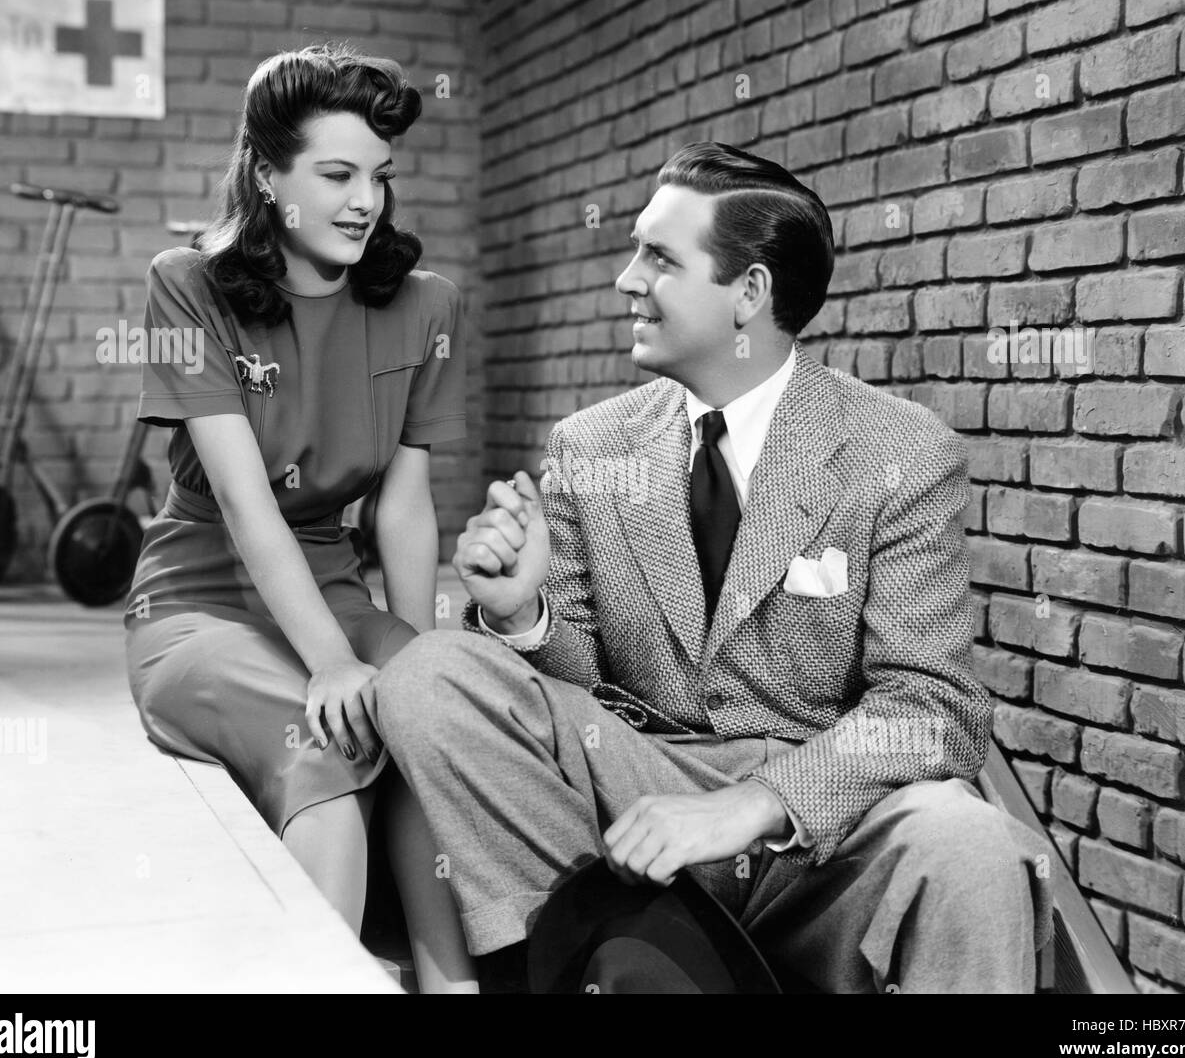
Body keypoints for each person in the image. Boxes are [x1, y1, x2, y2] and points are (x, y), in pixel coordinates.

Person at [375, 142, 1054, 993]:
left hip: (820, 833)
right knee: (429, 672)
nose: (627, 279)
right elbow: (579, 686)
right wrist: (522, 616)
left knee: (972, 843)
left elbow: (931, 708)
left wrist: (757, 803)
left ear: (750, 293)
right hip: (633, 805)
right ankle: (587, 955)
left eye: (659, 258)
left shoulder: (902, 450)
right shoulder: (592, 446)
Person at [122, 43, 476, 992]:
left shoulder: (427, 303)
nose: (366, 200)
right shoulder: (184, 286)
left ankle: (452, 984)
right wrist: (331, 660)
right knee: (329, 734)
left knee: (437, 711)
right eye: (335, 174)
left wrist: (415, 652)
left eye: (379, 176)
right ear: (269, 175)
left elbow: (403, 503)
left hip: (331, 585)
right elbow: (243, 505)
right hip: (203, 600)